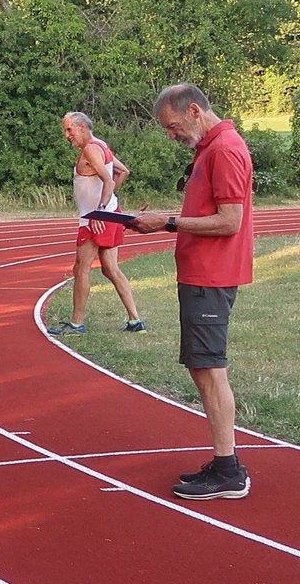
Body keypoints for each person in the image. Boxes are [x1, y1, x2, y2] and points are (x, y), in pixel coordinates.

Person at [128, 83, 255, 500]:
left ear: (195, 111)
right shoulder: (210, 147)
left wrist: (168, 222)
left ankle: (228, 470)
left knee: (210, 369)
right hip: (202, 274)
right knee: (202, 367)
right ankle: (224, 463)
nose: (172, 135)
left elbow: (230, 221)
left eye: (173, 126)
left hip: (212, 276)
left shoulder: (225, 149)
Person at [50, 111, 144, 336]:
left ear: (82, 127)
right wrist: (109, 204)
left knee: (81, 267)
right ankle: (135, 320)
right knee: (110, 269)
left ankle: (76, 324)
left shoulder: (91, 150)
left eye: (69, 130)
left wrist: (100, 212)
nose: (67, 135)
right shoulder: (101, 145)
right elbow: (123, 171)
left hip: (95, 219)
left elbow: (109, 181)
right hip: (108, 214)